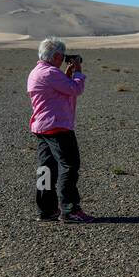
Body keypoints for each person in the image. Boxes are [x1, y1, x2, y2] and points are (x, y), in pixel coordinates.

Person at [27, 36, 94, 223]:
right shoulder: (50, 73)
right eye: (63, 56)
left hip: (41, 127)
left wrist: (66, 73)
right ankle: (70, 210)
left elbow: (59, 89)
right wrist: (78, 73)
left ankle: (46, 209)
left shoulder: (36, 72)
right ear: (56, 55)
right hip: (57, 127)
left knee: (45, 169)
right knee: (69, 167)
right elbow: (75, 89)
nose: (65, 58)